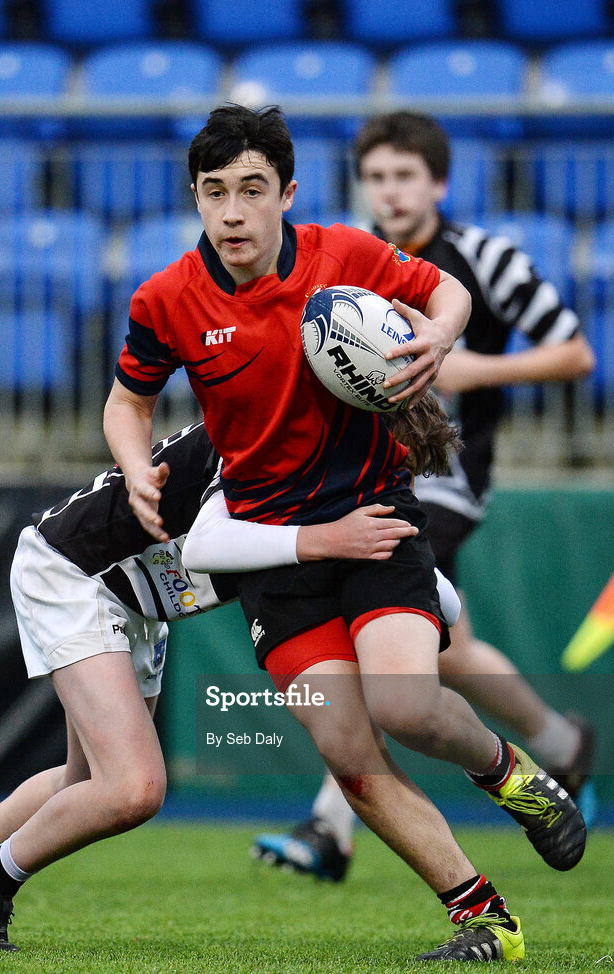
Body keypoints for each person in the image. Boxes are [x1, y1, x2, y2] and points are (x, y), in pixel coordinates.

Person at [106, 104, 586, 962]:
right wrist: (135, 466)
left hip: (373, 518)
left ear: (287, 193)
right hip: (273, 550)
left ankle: (511, 775)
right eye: (213, 192)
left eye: (252, 189)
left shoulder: (345, 256)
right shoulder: (165, 298)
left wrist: (438, 333)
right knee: (349, 755)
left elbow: (445, 291)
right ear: (195, 197)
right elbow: (126, 402)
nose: (232, 212)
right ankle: (485, 921)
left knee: (406, 705)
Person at [0, 421, 439, 951]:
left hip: (135, 596)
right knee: (134, 789)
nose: (394, 492)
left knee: (89, 781)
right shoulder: (276, 442)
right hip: (74, 573)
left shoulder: (327, 465)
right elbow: (206, 544)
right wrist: (325, 540)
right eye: (392, 472)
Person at [247, 110, 597, 883]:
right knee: (449, 648)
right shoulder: (348, 265)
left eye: (404, 176)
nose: (390, 191)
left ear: (438, 183)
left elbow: (576, 353)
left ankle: (329, 825)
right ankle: (561, 744)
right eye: (376, 177)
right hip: (360, 475)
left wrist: (472, 370)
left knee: (374, 625)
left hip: (445, 480)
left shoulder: (484, 260)